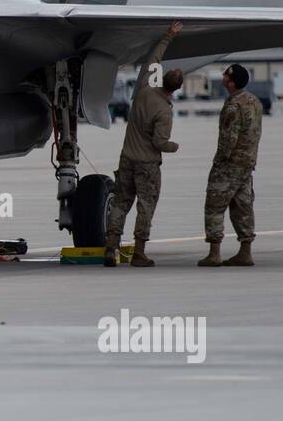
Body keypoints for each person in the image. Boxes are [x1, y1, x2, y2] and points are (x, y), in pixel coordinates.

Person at [104, 21, 184, 268]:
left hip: (127, 158)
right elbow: (159, 142)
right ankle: (139, 252)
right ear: (177, 89)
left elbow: (153, 60)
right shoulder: (164, 112)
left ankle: (111, 247)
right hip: (147, 164)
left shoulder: (144, 90)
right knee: (145, 207)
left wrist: (168, 36)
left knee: (121, 202)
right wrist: (173, 146)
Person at [198, 63, 263, 267]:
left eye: (226, 75)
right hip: (247, 164)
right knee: (243, 207)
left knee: (215, 206)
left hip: (230, 165)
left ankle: (214, 252)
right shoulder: (255, 101)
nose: (223, 77)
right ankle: (246, 251)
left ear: (231, 82)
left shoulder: (234, 105)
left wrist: (219, 160)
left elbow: (229, 138)